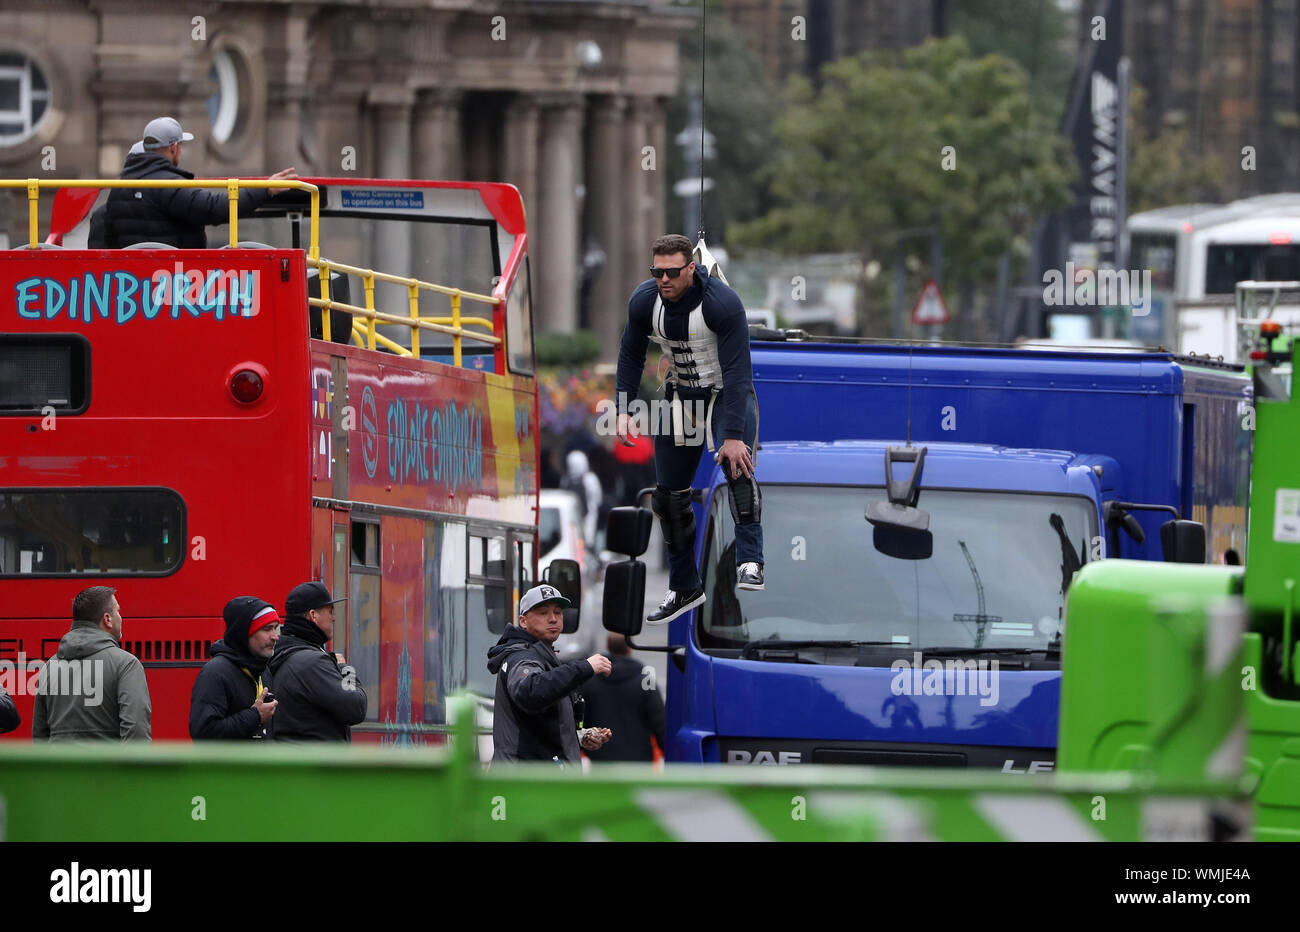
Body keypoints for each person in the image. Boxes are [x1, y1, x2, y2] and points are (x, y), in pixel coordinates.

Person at [616, 233, 766, 624]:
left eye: (671, 272)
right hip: (681, 392)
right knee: (667, 497)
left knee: (738, 468)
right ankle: (685, 585)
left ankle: (751, 561)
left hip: (725, 392)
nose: (663, 280)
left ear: (691, 268)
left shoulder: (722, 304)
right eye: (657, 272)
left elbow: (737, 373)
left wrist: (733, 436)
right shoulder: (644, 301)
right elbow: (631, 354)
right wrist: (623, 407)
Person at [100, 116, 298, 248]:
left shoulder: (120, 187)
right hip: (171, 286)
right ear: (174, 148)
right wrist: (265, 190)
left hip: (129, 288)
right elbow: (215, 208)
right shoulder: (171, 185)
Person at [486, 584, 613, 764]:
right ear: (523, 621)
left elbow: (539, 729)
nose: (553, 619)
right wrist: (585, 667)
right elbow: (530, 692)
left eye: (558, 612)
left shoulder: (542, 655)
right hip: (523, 784)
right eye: (543, 613)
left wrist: (580, 736)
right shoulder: (522, 657)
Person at [32, 586, 151, 741]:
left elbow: (39, 735)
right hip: (106, 765)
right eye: (118, 611)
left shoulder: (49, 666)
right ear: (107, 619)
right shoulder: (126, 665)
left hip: (59, 765)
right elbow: (136, 731)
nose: (120, 617)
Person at [267, 582, 366, 742]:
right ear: (313, 615)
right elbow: (356, 706)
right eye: (330, 611)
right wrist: (345, 668)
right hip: (316, 764)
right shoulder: (312, 663)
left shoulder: (283, 653)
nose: (333, 618)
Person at [189, 597, 281, 740]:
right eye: (267, 629)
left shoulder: (262, 669)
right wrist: (255, 716)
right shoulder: (215, 673)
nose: (275, 637)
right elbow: (204, 733)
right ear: (244, 633)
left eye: (276, 628)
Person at [579, 634, 666, 763]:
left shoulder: (590, 681)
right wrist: (668, 750)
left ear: (608, 647)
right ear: (630, 649)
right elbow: (659, 721)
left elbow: (580, 717)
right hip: (638, 760)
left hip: (600, 759)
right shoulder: (644, 681)